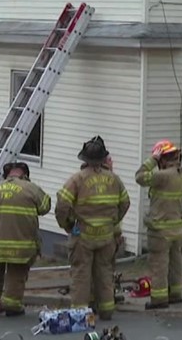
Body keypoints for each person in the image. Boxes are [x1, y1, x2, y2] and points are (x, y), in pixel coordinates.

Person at [56, 136, 130, 321]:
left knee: (81, 275)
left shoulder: (77, 179)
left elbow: (62, 205)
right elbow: (125, 203)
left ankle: (81, 315)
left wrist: (68, 225)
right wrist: (112, 222)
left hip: (83, 237)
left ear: (84, 158)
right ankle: (106, 311)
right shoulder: (114, 179)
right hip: (106, 237)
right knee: (105, 274)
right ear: (104, 158)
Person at [0, 161, 51, 317]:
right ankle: (12, 306)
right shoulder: (31, 188)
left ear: (6, 175)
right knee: (16, 274)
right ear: (25, 175)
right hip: (21, 244)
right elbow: (45, 207)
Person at [135, 139, 182, 309]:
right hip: (177, 228)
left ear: (162, 159)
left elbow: (140, 177)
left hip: (160, 230)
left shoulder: (162, 176)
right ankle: (175, 294)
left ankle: (159, 299)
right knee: (175, 263)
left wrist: (152, 160)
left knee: (159, 264)